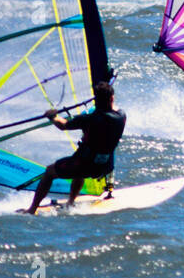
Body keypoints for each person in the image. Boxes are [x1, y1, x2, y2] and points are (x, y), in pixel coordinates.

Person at [19, 81, 125, 213]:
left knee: (50, 172)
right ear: (111, 98)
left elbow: (63, 125)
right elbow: (110, 109)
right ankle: (70, 202)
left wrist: (52, 116)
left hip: (85, 165)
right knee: (79, 166)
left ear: (96, 100)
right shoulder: (121, 116)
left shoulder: (89, 119)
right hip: (104, 167)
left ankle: (32, 209)